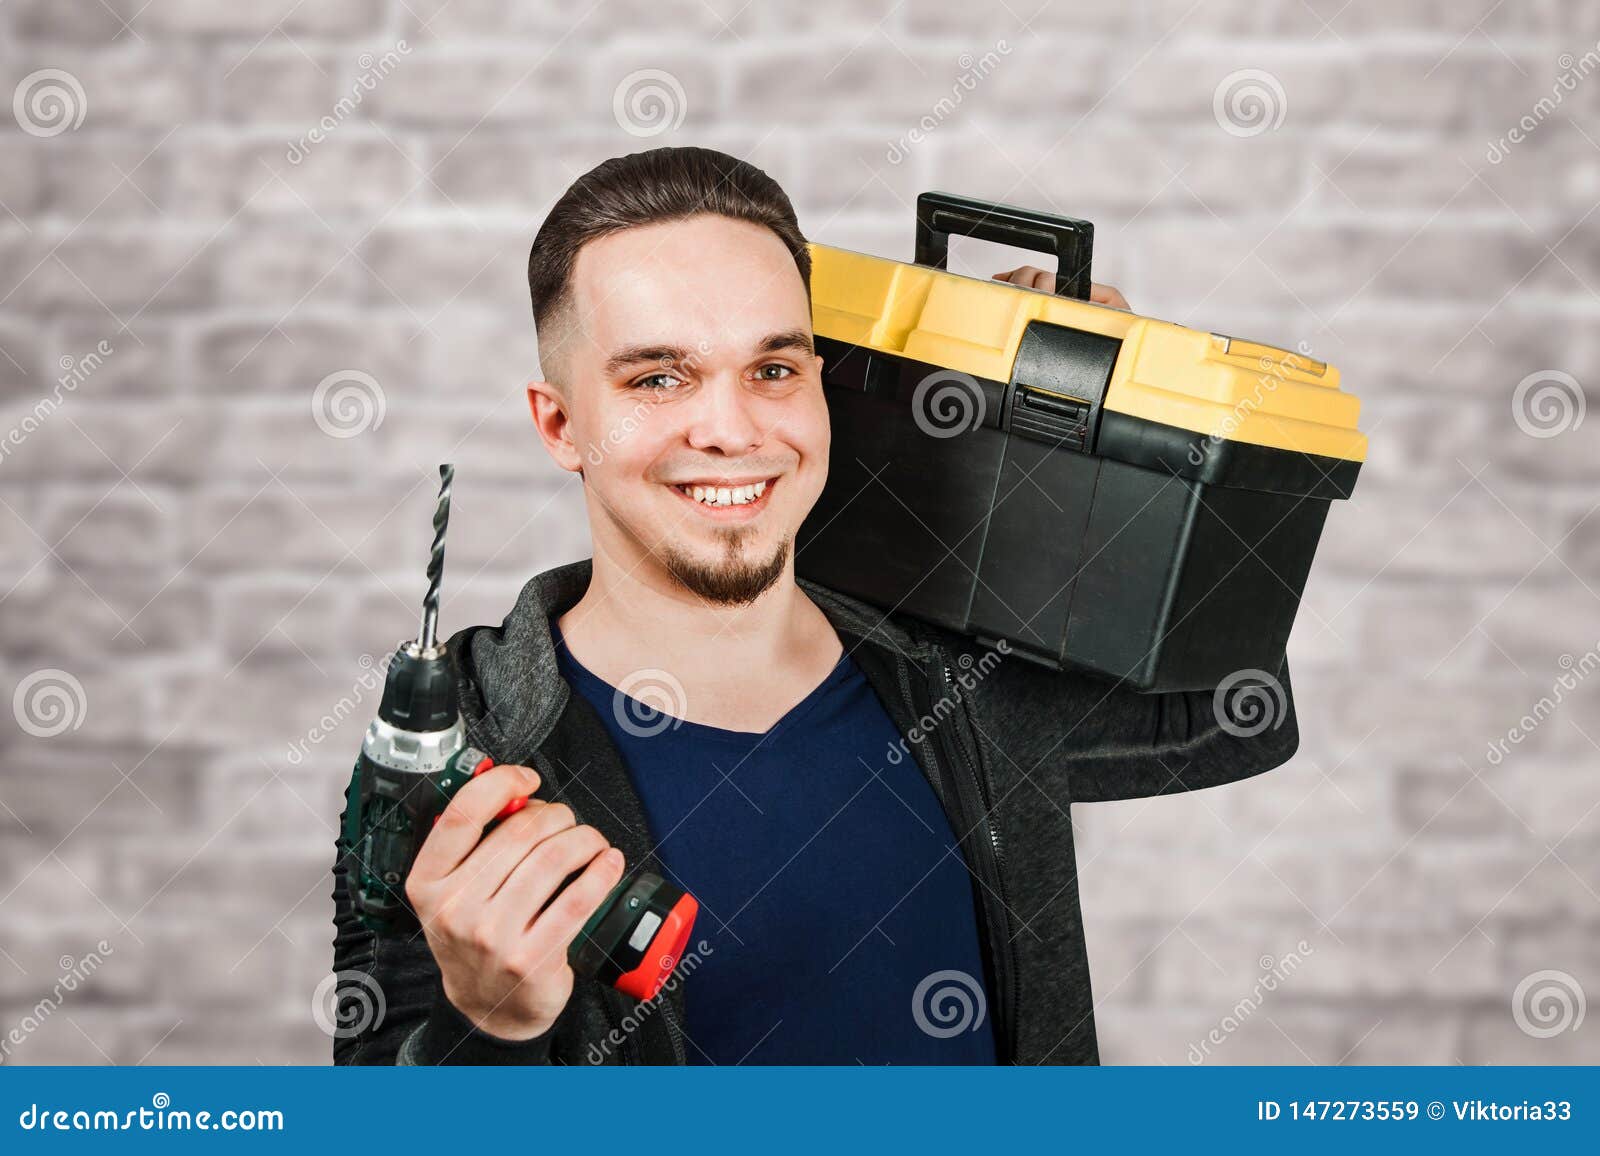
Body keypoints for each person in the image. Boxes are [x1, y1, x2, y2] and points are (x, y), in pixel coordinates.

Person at [330, 146, 1296, 1065]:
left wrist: (1100, 445)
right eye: (658, 378)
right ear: (560, 423)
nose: (731, 428)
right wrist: (486, 1034)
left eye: (774, 370)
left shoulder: (960, 669)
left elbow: (1230, 711)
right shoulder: (461, 755)